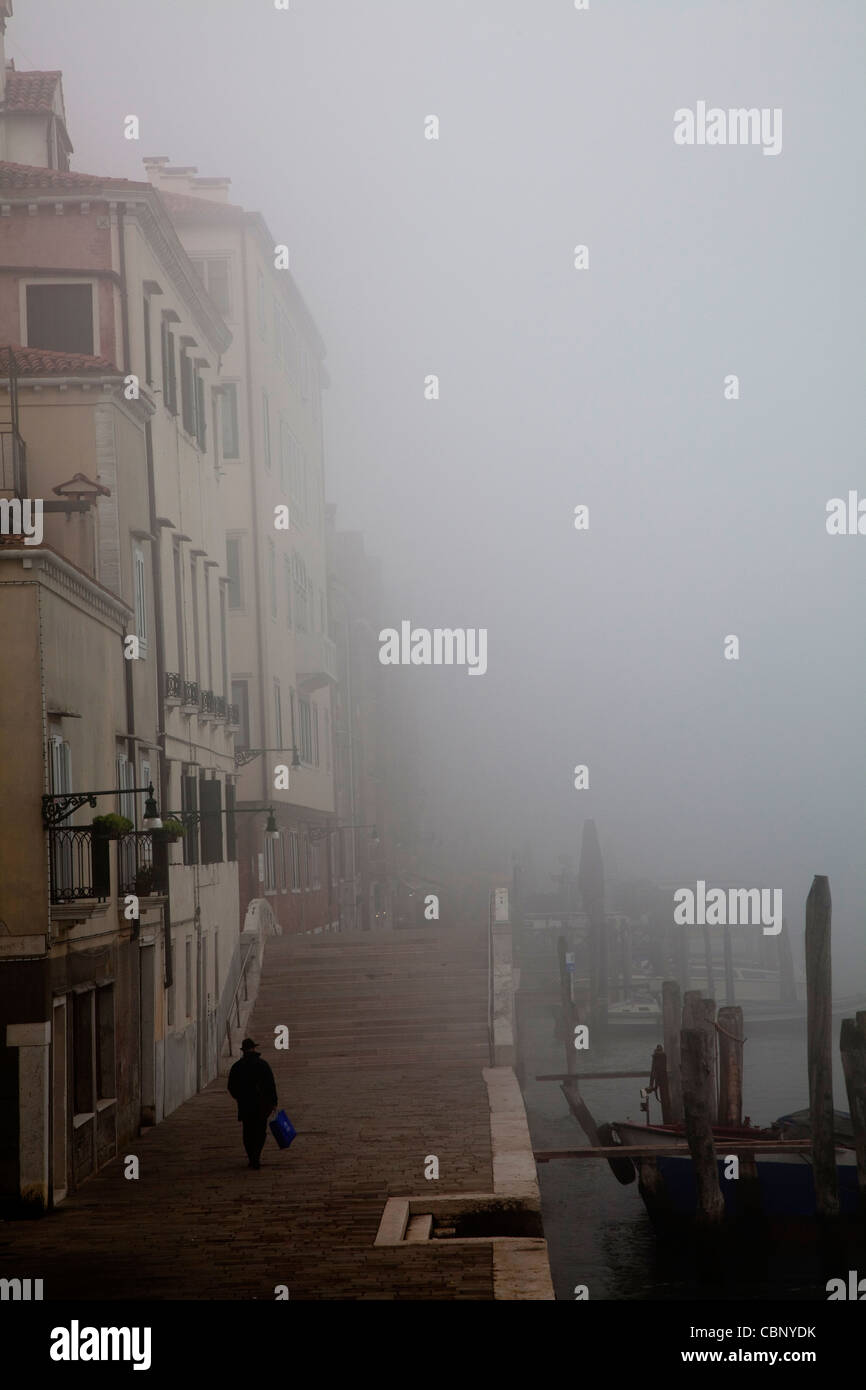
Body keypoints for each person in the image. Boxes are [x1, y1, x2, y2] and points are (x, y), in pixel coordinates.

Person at [227, 1037, 278, 1169]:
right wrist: (273, 1102)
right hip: (261, 1105)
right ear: (254, 1049)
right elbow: (271, 1085)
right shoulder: (263, 1065)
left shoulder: (237, 1066)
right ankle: (256, 1156)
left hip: (245, 1105)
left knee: (248, 1132)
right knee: (260, 1131)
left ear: (243, 1051)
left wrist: (239, 1097)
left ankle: (251, 1157)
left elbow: (231, 1087)